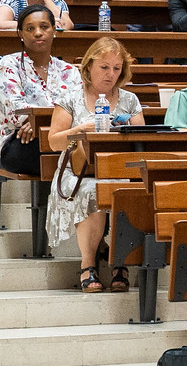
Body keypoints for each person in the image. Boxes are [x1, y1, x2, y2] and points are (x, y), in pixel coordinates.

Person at [48, 37, 142, 291]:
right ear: (89, 66)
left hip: (122, 170)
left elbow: (142, 141)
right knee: (95, 190)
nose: (111, 74)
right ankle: (88, 264)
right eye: (104, 67)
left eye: (116, 68)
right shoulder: (70, 98)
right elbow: (54, 142)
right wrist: (80, 129)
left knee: (124, 190)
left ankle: (120, 262)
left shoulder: (130, 100)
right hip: (78, 172)